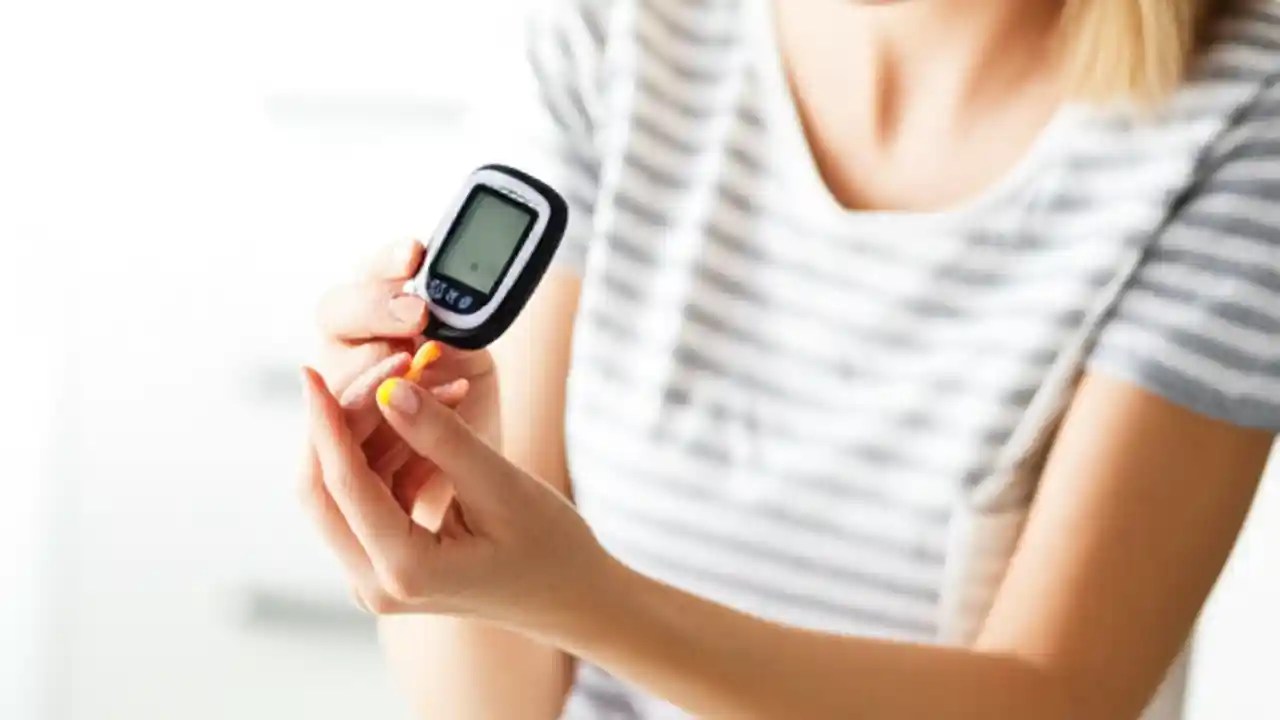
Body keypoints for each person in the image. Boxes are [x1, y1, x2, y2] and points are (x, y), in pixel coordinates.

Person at [301, 0, 1280, 717]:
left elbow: (1054, 698)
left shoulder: (1238, 114)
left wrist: (585, 598)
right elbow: (496, 708)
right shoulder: (619, 31)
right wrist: (439, 514)